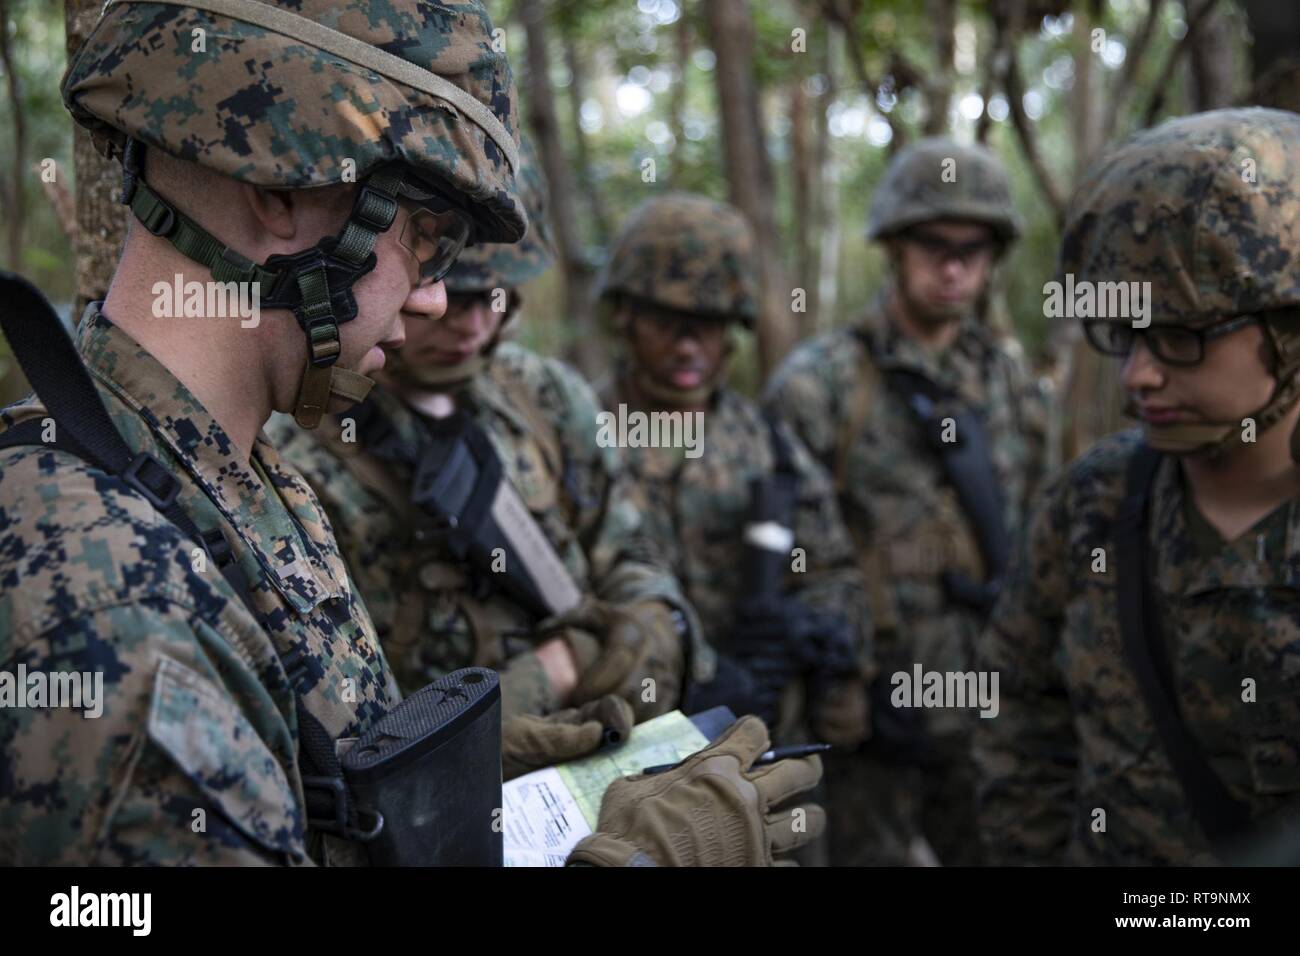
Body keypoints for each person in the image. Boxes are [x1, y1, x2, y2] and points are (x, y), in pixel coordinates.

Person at [0, 0, 819, 867]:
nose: (433, 299)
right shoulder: (114, 609)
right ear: (281, 184)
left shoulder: (232, 482)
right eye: (425, 238)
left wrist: (434, 796)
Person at [269, 144, 705, 724]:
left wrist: (654, 618)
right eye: (451, 290)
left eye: (493, 299)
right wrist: (528, 691)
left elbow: (622, 542)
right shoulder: (300, 440)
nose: (472, 325)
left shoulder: (546, 395)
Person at [973, 107, 1300, 865]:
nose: (1138, 375)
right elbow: (1018, 712)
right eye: (1125, 334)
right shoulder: (1094, 500)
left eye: (1179, 336)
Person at [766, 139, 1046, 866]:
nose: (953, 268)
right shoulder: (821, 384)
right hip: (871, 710)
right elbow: (791, 560)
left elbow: (1042, 534)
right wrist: (848, 676)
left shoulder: (1010, 382)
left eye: (972, 250)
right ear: (895, 248)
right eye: (934, 247)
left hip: (990, 700)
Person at [595, 193, 873, 753]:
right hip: (628, 737)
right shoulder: (580, 436)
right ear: (626, 316)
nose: (688, 346)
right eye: (667, 323)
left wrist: (803, 627)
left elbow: (832, 569)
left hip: (762, 739)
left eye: (708, 325)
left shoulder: (768, 444)